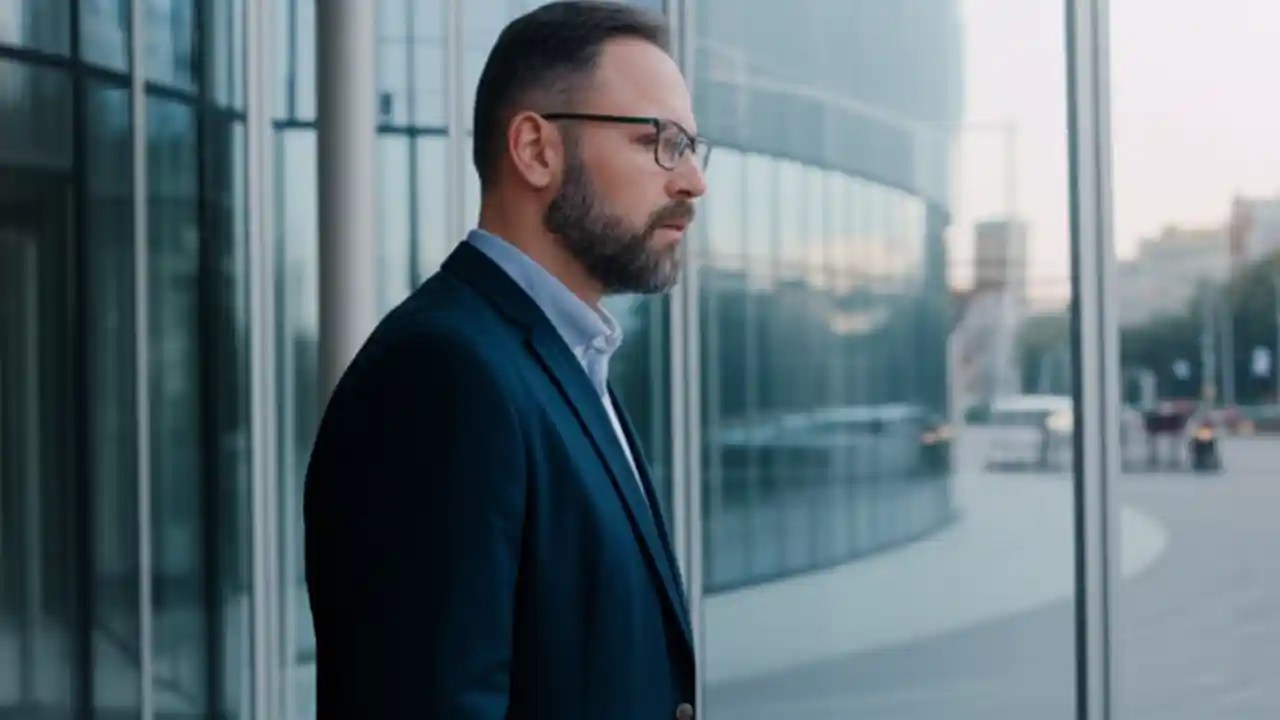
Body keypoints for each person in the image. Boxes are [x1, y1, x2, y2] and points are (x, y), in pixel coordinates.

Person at [303, 2, 709, 717]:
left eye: (693, 149)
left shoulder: (565, 362)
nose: (691, 183)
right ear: (536, 149)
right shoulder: (442, 374)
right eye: (661, 142)